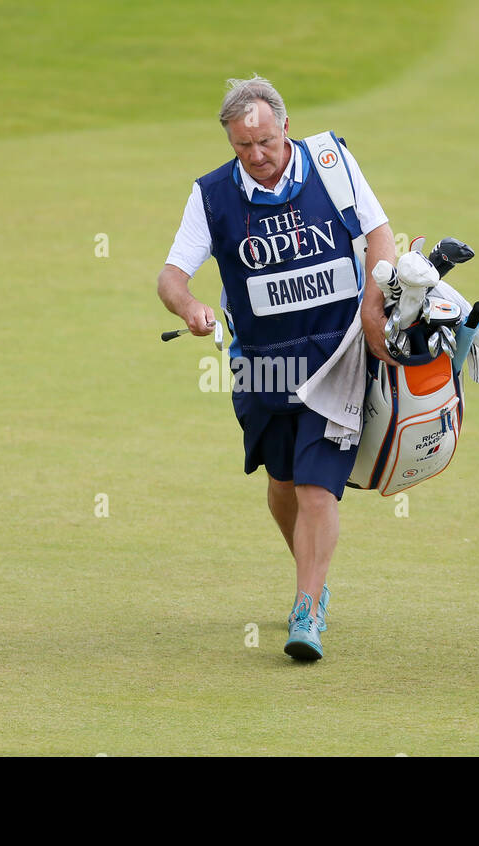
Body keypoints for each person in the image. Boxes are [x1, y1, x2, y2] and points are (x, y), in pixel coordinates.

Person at [157, 76, 397, 660]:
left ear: (284, 127)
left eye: (265, 141)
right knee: (283, 482)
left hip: (338, 356)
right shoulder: (212, 195)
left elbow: (381, 239)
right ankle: (313, 579)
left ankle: (306, 608)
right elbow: (171, 277)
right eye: (244, 147)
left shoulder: (332, 162)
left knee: (318, 488)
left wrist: (373, 303)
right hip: (263, 367)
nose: (257, 156)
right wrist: (191, 307)